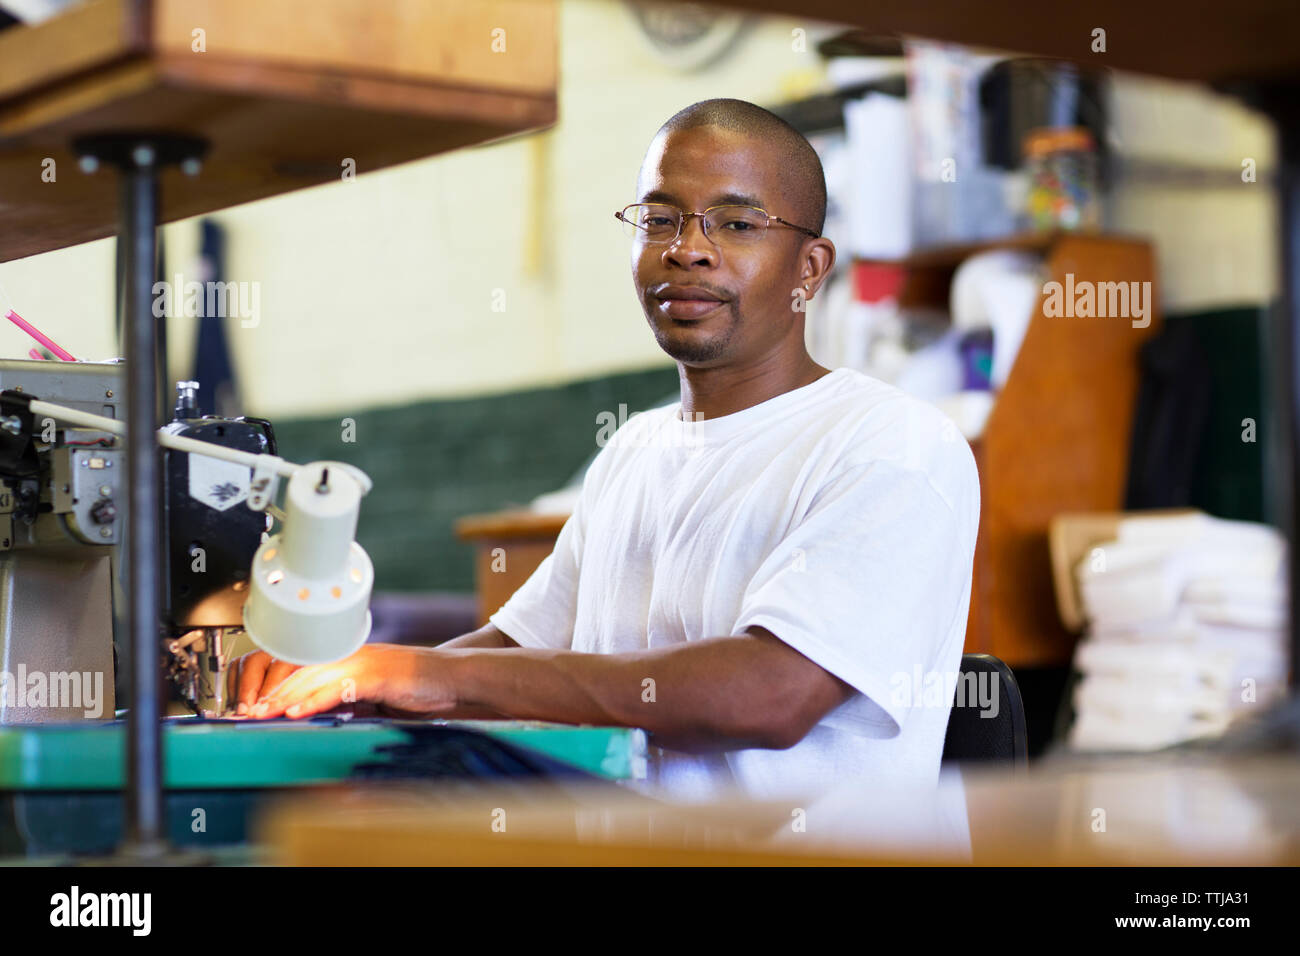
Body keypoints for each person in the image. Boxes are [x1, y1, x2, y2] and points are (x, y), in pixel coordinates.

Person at [233, 98, 981, 800]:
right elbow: (512, 649)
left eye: (737, 224)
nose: (688, 250)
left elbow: (770, 695)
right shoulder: (634, 449)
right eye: (660, 220)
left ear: (810, 269)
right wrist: (345, 676)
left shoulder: (892, 445)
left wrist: (425, 674)